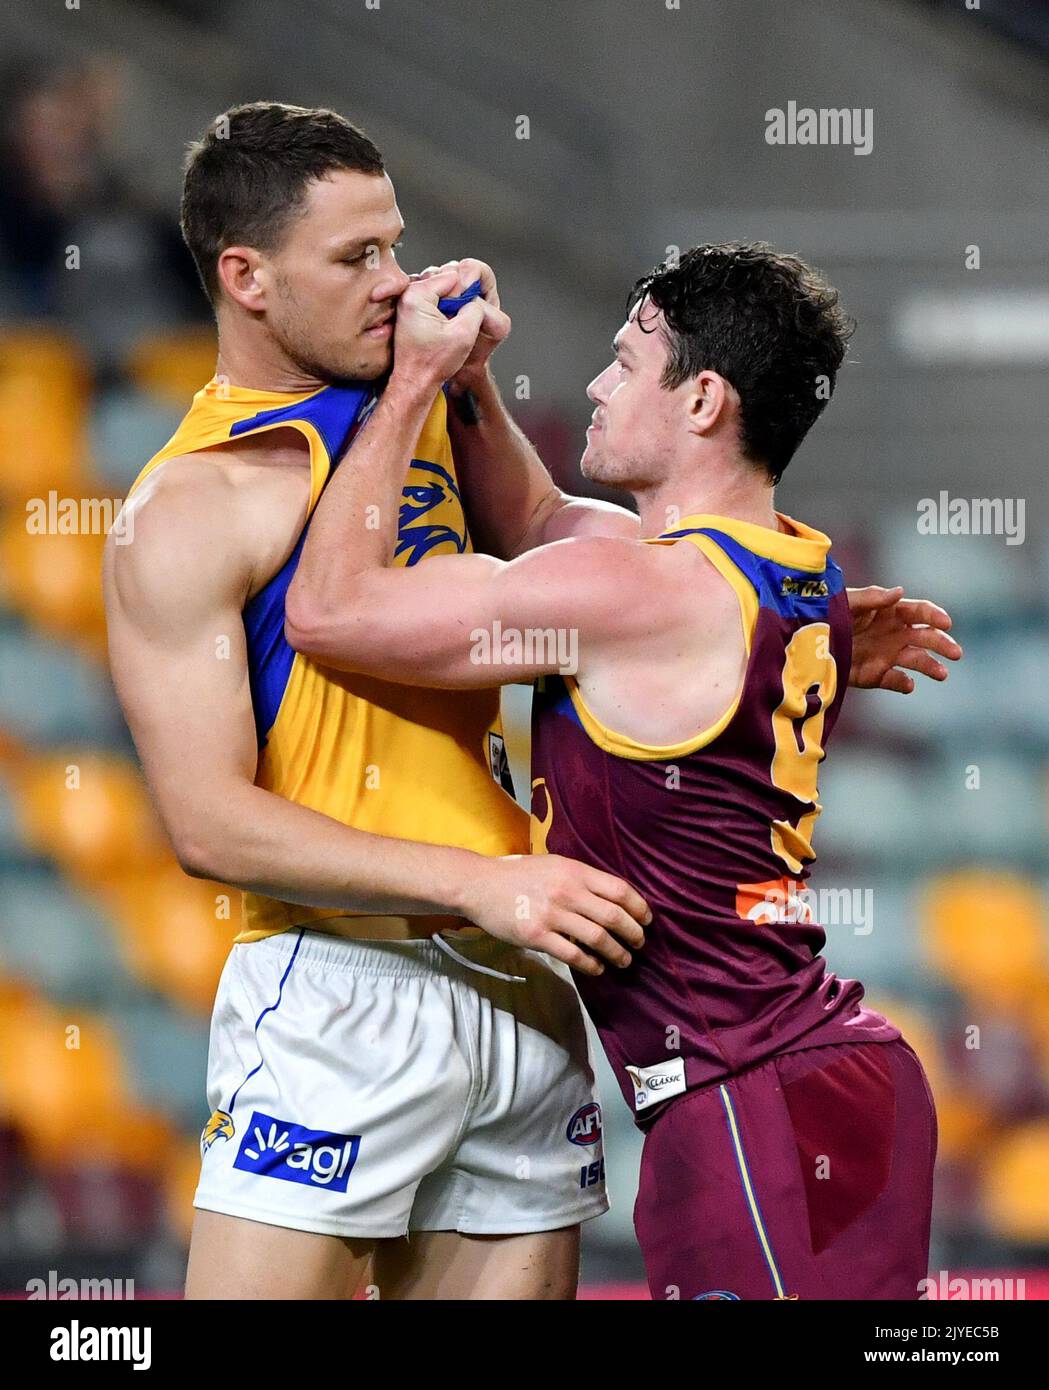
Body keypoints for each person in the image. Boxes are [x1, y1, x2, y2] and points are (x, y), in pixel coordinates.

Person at [283, 242, 960, 1300]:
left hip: (749, 1106)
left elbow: (327, 614)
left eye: (624, 360)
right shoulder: (786, 562)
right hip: (812, 1077)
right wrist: (470, 387)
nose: (593, 385)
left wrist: (412, 384)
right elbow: (542, 520)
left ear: (700, 400)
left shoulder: (635, 592)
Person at [104, 101, 653, 1302]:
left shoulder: (421, 416)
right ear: (245, 278)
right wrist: (483, 882)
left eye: (396, 247)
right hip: (338, 989)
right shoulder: (192, 503)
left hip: (519, 989)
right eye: (356, 258)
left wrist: (474, 382)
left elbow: (556, 540)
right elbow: (209, 826)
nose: (395, 286)